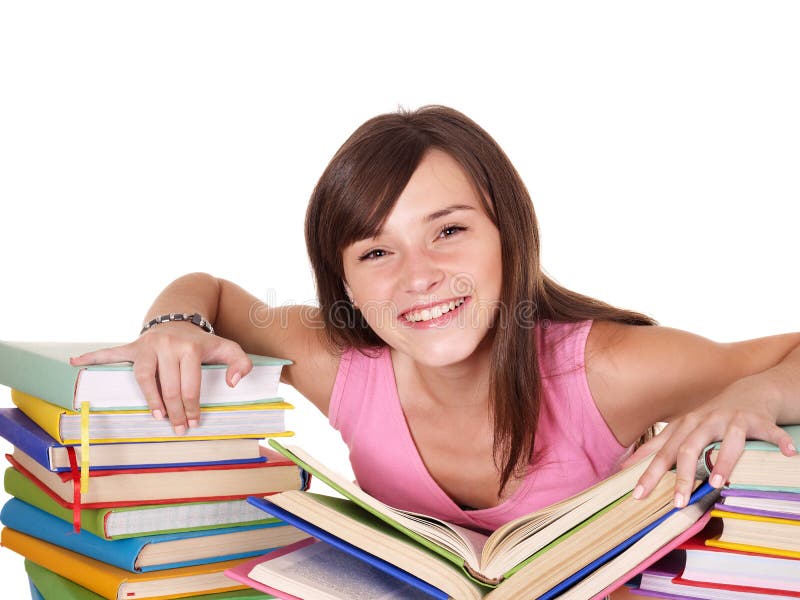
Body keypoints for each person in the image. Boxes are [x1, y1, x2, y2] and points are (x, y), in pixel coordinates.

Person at [71, 104, 798, 534]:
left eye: (448, 231)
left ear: (508, 236)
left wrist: (754, 392)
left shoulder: (604, 370)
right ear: (346, 284)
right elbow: (215, 293)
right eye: (376, 250)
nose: (417, 277)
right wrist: (175, 324)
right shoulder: (340, 366)